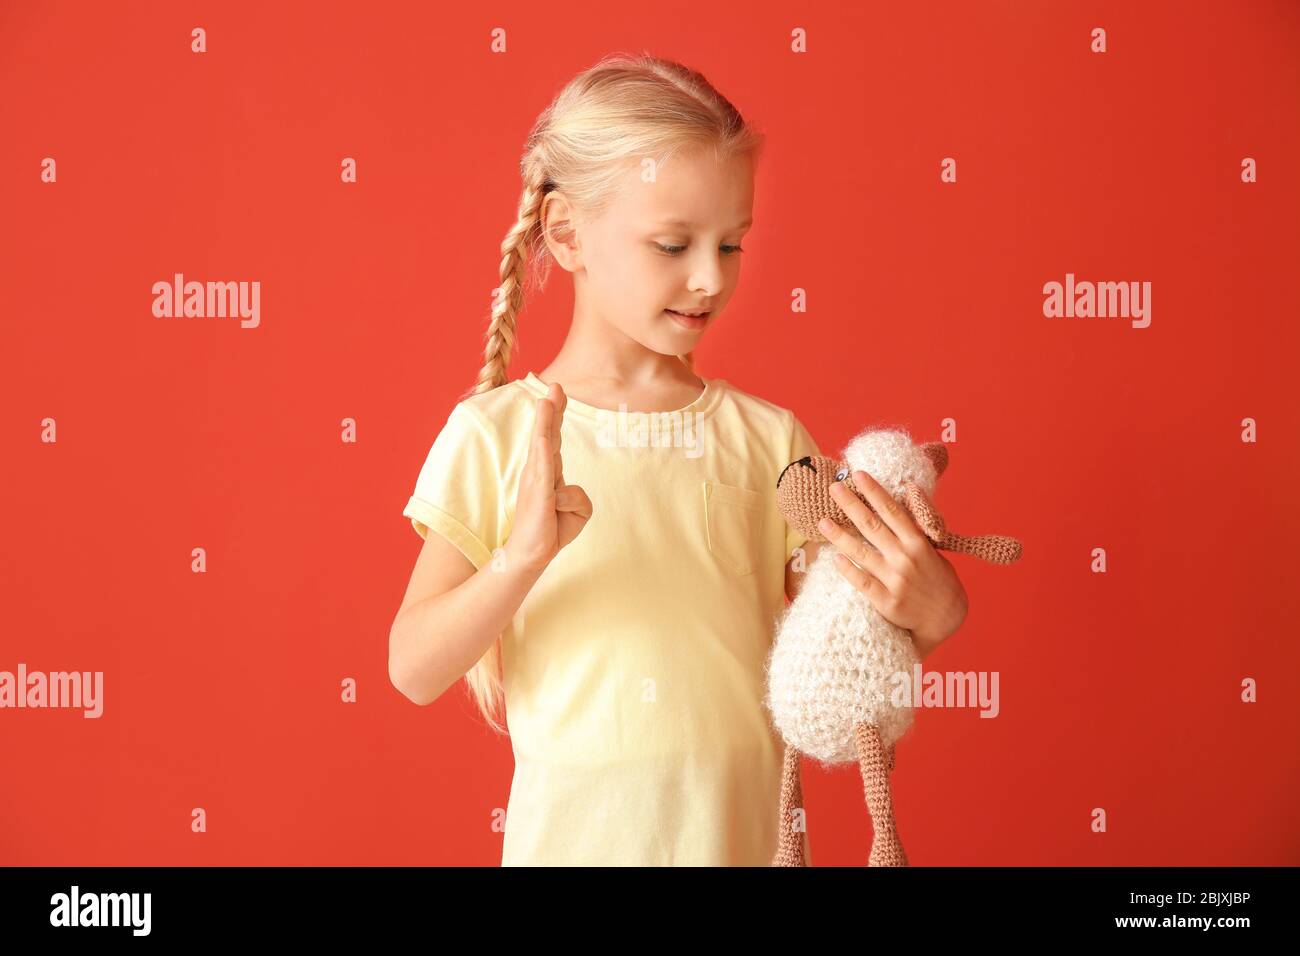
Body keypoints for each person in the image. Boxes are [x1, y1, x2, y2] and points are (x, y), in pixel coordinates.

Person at [388, 52, 968, 865]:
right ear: (566, 233)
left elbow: (832, 659)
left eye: (731, 246)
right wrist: (519, 562)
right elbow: (412, 668)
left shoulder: (771, 443)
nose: (708, 279)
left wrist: (929, 620)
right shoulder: (496, 435)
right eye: (672, 244)